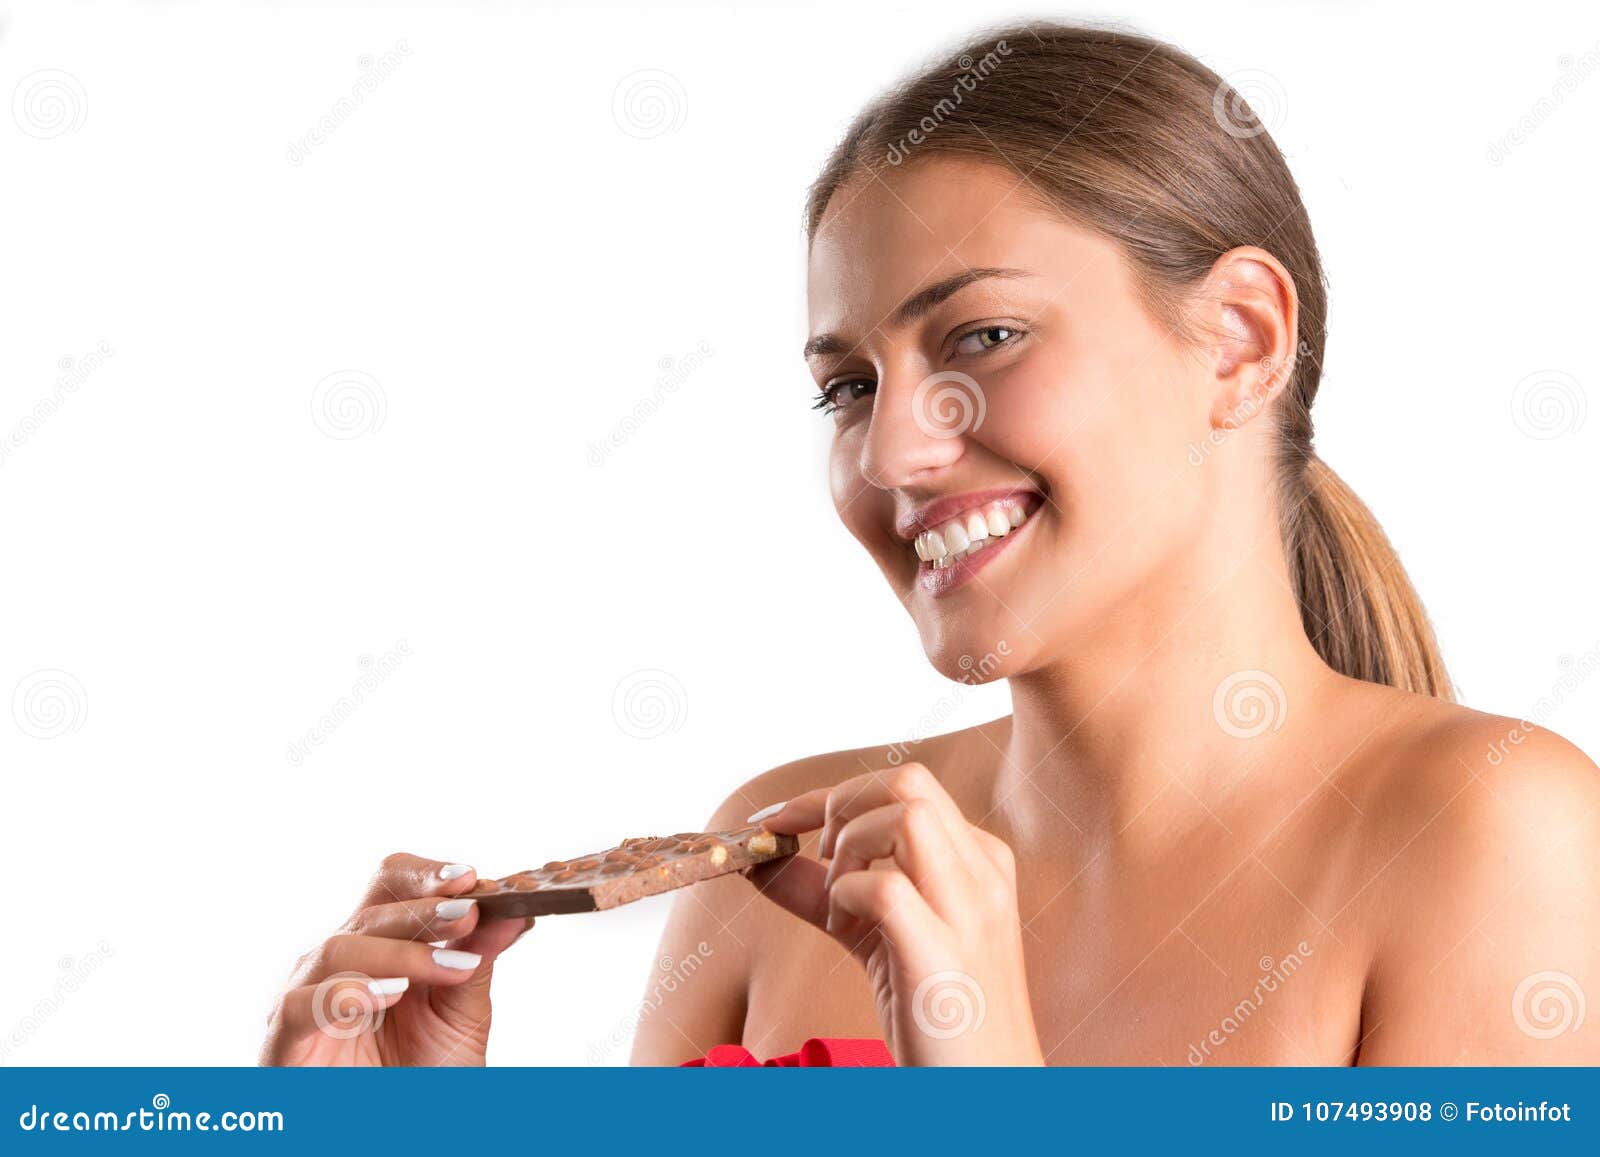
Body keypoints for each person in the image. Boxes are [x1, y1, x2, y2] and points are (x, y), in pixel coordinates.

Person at [263, 21, 1600, 1068]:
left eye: (982, 338)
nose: (894, 454)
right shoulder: (768, 873)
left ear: (1240, 339)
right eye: (848, 387)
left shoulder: (1497, 836)